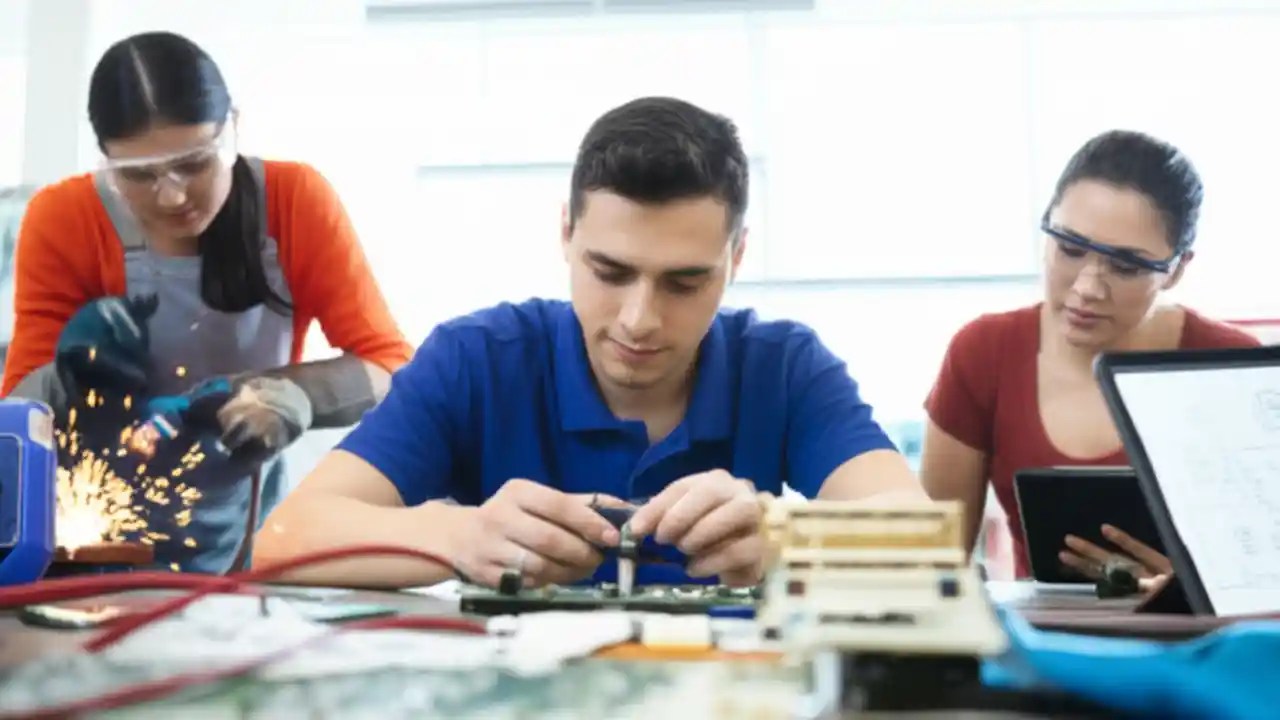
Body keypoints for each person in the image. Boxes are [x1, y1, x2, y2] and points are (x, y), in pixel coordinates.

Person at [254, 96, 926, 589]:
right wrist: (463, 536)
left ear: (737, 258)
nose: (639, 319)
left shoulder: (784, 368)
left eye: (685, 283)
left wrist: (783, 541)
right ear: (566, 235)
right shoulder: (477, 359)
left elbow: (922, 541)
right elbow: (287, 538)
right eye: (610, 272)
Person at [1, 32, 411, 574]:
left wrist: (300, 395)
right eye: (138, 175)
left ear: (233, 127)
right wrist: (68, 381)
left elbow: (389, 363)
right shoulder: (62, 218)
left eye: (193, 163)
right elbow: (17, 419)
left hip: (240, 522)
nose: (171, 196)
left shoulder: (295, 203)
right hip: (92, 525)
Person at [920, 129, 1259, 585]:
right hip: (1046, 647)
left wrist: (1198, 587)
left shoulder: (1235, 368)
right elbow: (935, 566)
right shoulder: (983, 354)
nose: (1087, 288)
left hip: (1202, 647)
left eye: (1125, 267)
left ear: (1176, 269)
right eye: (1070, 249)